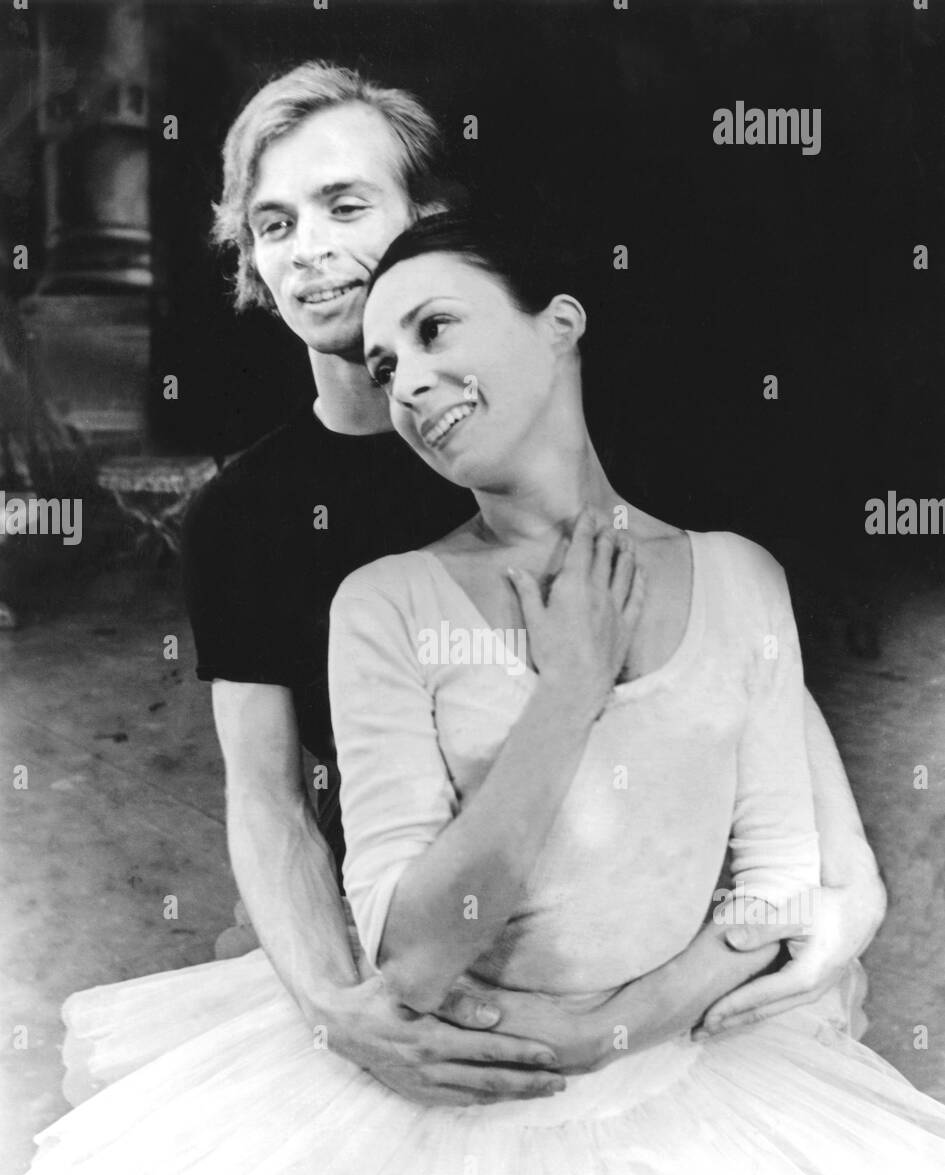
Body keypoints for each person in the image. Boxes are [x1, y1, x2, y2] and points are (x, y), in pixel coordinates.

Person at [2, 216, 943, 1175]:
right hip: (444, 1113)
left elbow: (780, 881)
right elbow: (415, 953)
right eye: (387, 364)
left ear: (559, 327)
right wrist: (571, 690)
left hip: (677, 1082)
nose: (408, 384)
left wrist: (608, 1031)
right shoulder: (387, 602)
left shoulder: (738, 576)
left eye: (438, 329)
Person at [183, 60, 883, 1105]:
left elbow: (745, 672)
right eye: (273, 224)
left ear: (429, 216)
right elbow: (268, 802)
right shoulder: (246, 519)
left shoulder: (576, 420)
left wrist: (846, 880)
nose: (311, 249)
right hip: (437, 933)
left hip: (664, 958)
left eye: (345, 204)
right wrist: (342, 1009)